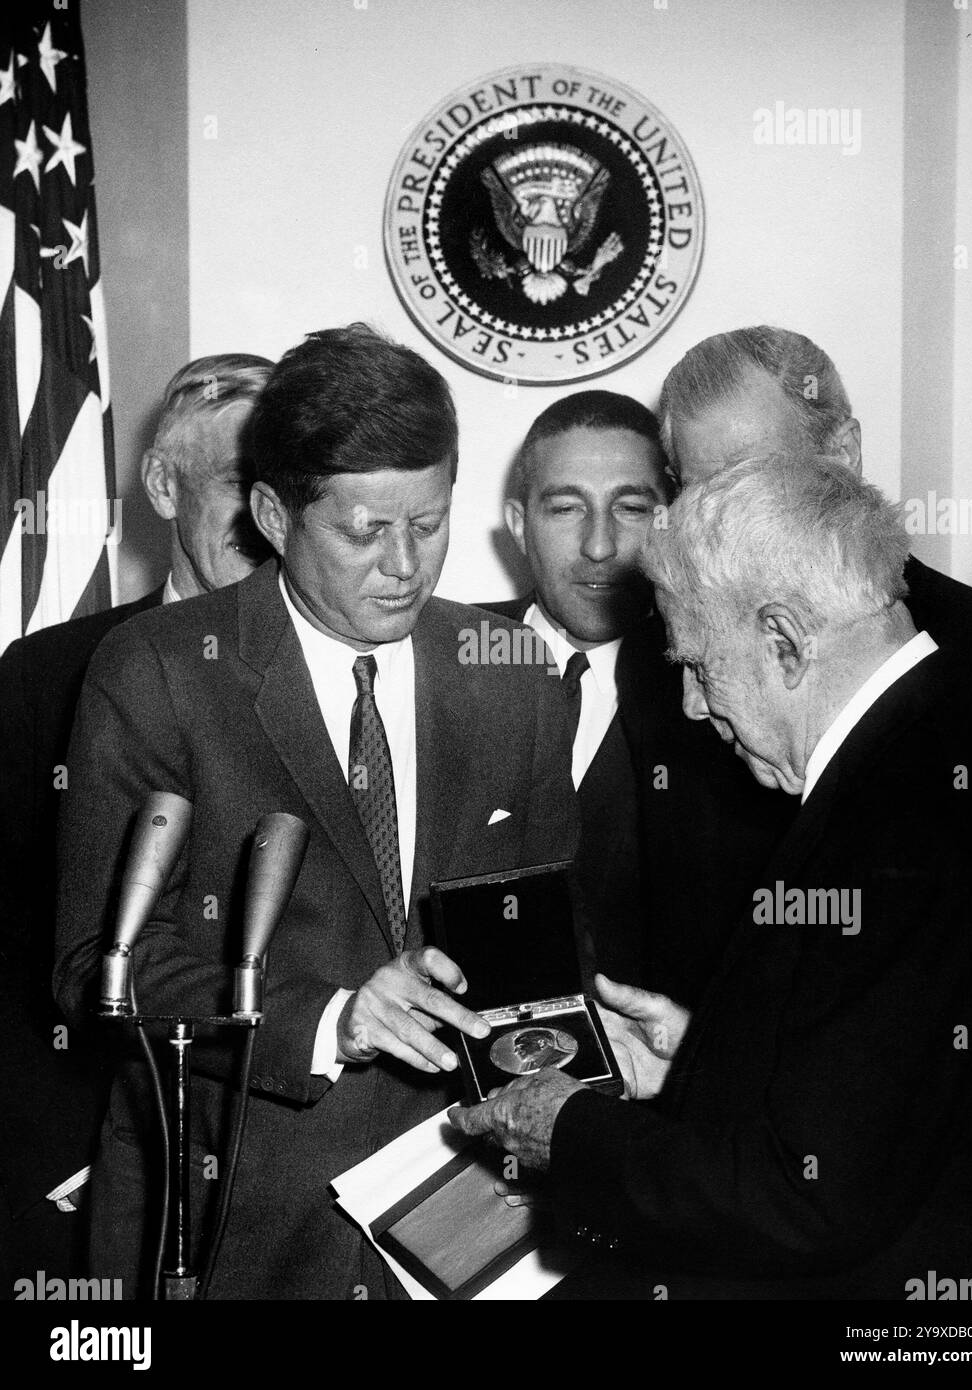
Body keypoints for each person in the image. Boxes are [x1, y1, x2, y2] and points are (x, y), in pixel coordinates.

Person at [53, 325, 578, 1300]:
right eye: (364, 532)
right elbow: (98, 967)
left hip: (472, 1220)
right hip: (235, 1225)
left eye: (429, 523)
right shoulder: (158, 671)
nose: (404, 564)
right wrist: (332, 1019)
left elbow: (542, 957)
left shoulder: (515, 681)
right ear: (272, 514)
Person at [451, 455, 972, 1299]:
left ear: (784, 640)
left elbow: (805, 1200)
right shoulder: (958, 734)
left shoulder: (892, 818)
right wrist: (703, 1064)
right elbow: (888, 1086)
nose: (690, 704)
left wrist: (567, 1127)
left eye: (698, 664)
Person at [0, 353, 272, 1288]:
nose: (266, 517)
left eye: (287, 486)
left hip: (291, 1186)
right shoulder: (45, 679)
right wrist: (57, 1153)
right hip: (85, 1178)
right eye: (238, 483)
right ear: (162, 485)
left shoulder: (352, 682)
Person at [481, 392, 788, 998]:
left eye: (631, 508)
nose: (599, 545)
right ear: (519, 525)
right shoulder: (431, 656)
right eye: (566, 508)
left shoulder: (736, 700)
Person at [659, 325, 972, 692]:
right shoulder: (662, 667)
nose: (728, 520)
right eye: (702, 495)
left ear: (843, 454)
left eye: (758, 481)